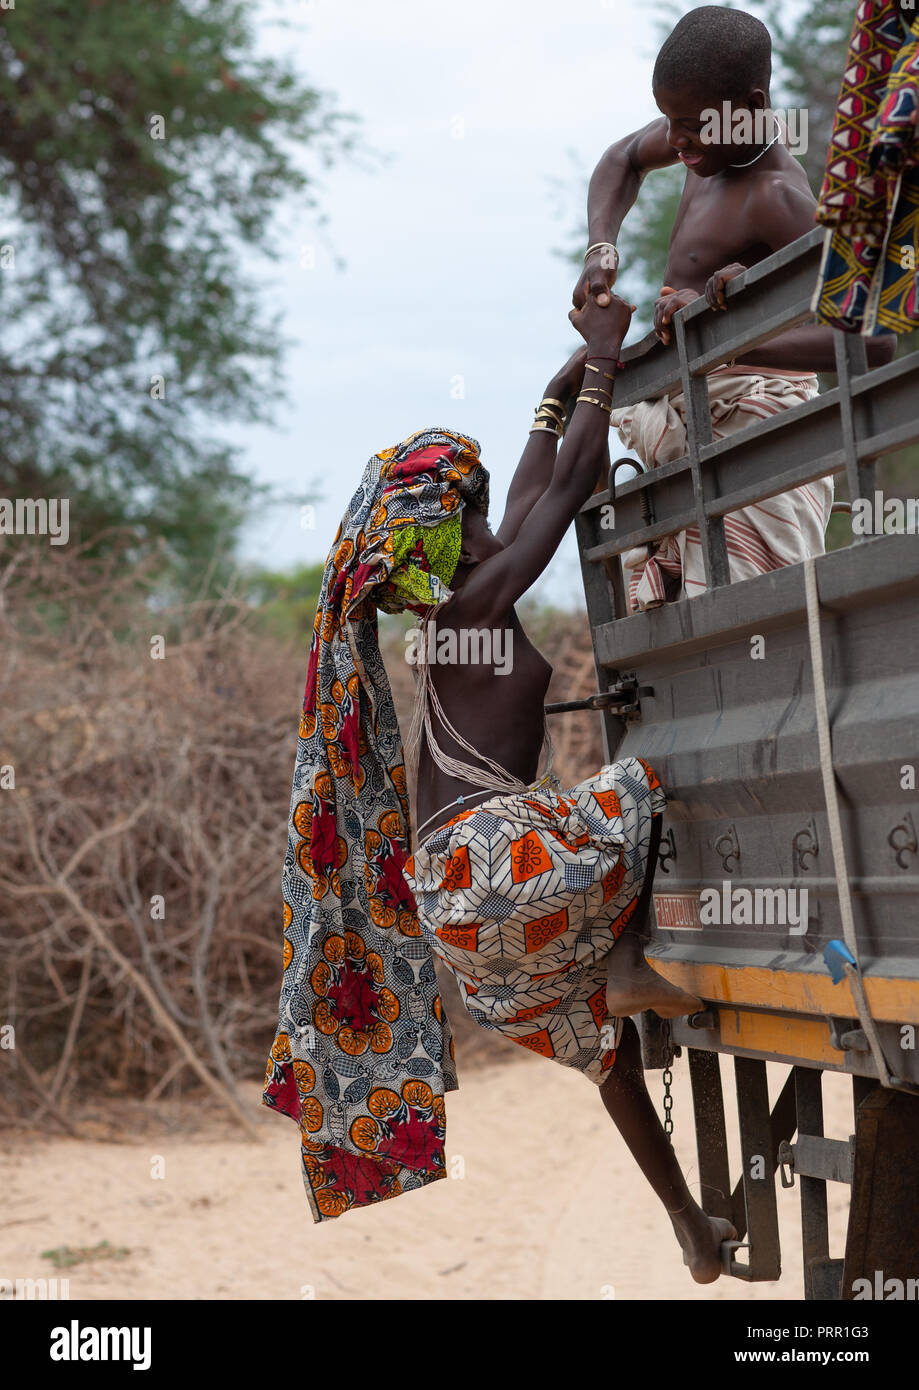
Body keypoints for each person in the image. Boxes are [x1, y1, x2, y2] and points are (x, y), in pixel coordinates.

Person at [401, 286, 736, 1284]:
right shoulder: (481, 589)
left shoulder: (460, 596)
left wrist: (563, 386)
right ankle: (661, 945)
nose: (490, 514)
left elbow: (536, 481)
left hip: (454, 909)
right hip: (505, 864)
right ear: (454, 534)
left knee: (602, 1052)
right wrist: (602, 357)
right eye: (474, 507)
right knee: (661, 771)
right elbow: (566, 490)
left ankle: (687, 1224)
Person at [573, 5, 897, 611]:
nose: (674, 140)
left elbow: (874, 342)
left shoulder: (776, 197)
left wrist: (729, 338)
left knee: (761, 619)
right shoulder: (705, 150)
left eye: (689, 124)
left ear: (747, 107)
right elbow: (621, 159)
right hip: (686, 427)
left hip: (753, 435)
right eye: (670, 121)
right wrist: (601, 247)